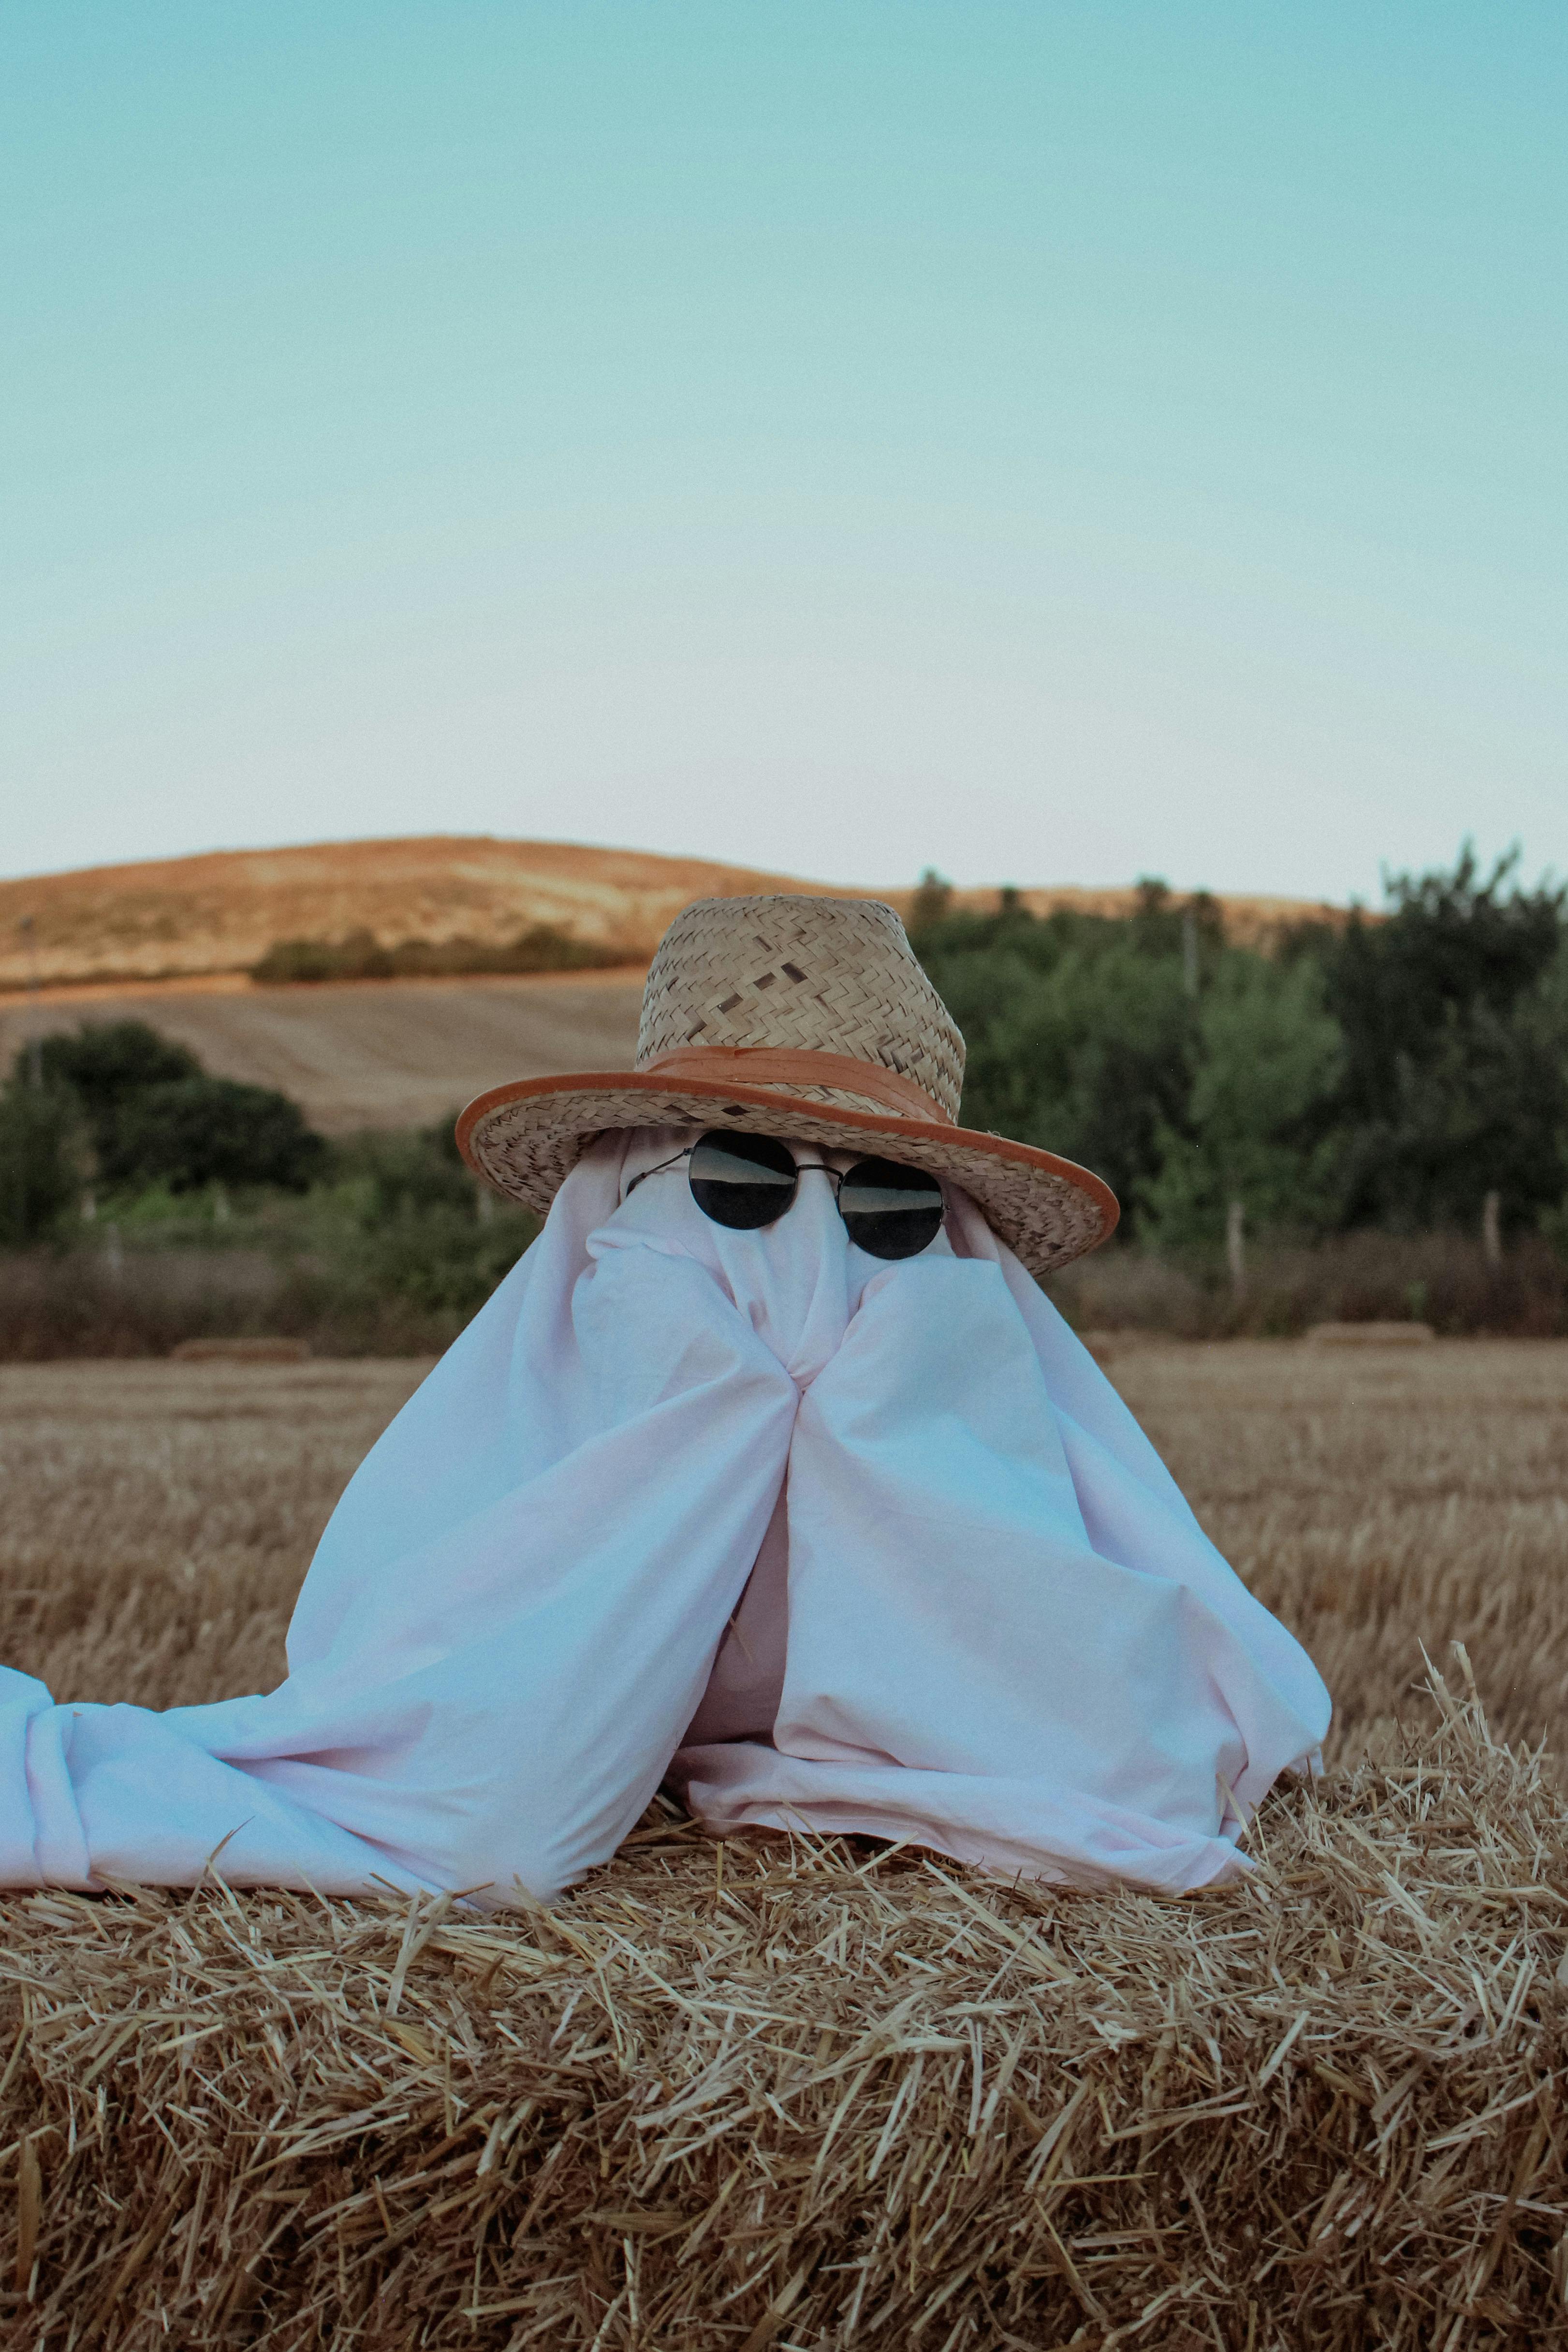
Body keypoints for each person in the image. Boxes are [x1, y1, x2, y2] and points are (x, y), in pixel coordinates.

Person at [0, 896, 1328, 1899]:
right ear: (623, 1196)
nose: (807, 1251)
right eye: (738, 1183)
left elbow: (1106, 1748)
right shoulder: (516, 1449)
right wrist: (718, 1411)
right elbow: (495, 1802)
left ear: (953, 1228)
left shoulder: (946, 1326)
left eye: (882, 1202)